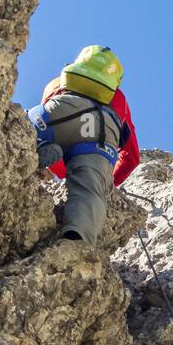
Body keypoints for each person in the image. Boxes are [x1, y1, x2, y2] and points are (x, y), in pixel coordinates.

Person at [27, 45, 140, 244]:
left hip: (64, 110)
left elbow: (47, 111)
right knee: (90, 189)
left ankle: (36, 148)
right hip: (103, 131)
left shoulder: (57, 82)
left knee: (28, 128)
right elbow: (132, 157)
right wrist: (105, 183)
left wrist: (56, 168)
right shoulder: (119, 97)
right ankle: (77, 238)